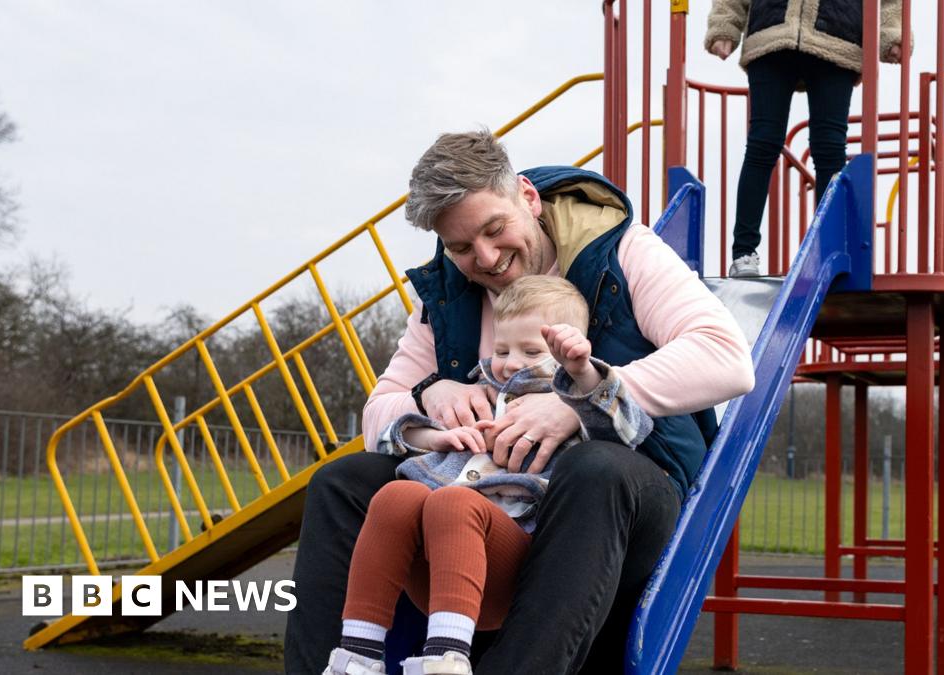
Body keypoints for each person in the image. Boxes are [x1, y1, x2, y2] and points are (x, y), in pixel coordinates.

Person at [285, 129, 755, 674]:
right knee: (343, 483)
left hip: (622, 498)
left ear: (527, 198)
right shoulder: (447, 296)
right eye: (460, 246)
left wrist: (574, 404)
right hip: (493, 504)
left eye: (494, 229)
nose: (485, 258)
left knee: (594, 466)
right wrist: (433, 396)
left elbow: (727, 357)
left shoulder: (622, 251)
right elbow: (380, 410)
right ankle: (337, 665)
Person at [323, 275, 654, 675]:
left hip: (511, 565)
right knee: (394, 497)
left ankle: (445, 659)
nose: (512, 361)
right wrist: (439, 435)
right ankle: (358, 655)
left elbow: (627, 428)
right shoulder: (478, 393)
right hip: (435, 564)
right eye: (502, 348)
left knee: (454, 500)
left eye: (531, 350)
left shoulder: (568, 403)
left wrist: (583, 374)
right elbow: (388, 439)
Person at [705, 0, 909, 277]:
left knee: (829, 148)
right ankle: (743, 252)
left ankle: (828, 249)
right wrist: (725, 25)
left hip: (837, 37)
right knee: (762, 143)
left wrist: (891, 31)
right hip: (772, 33)